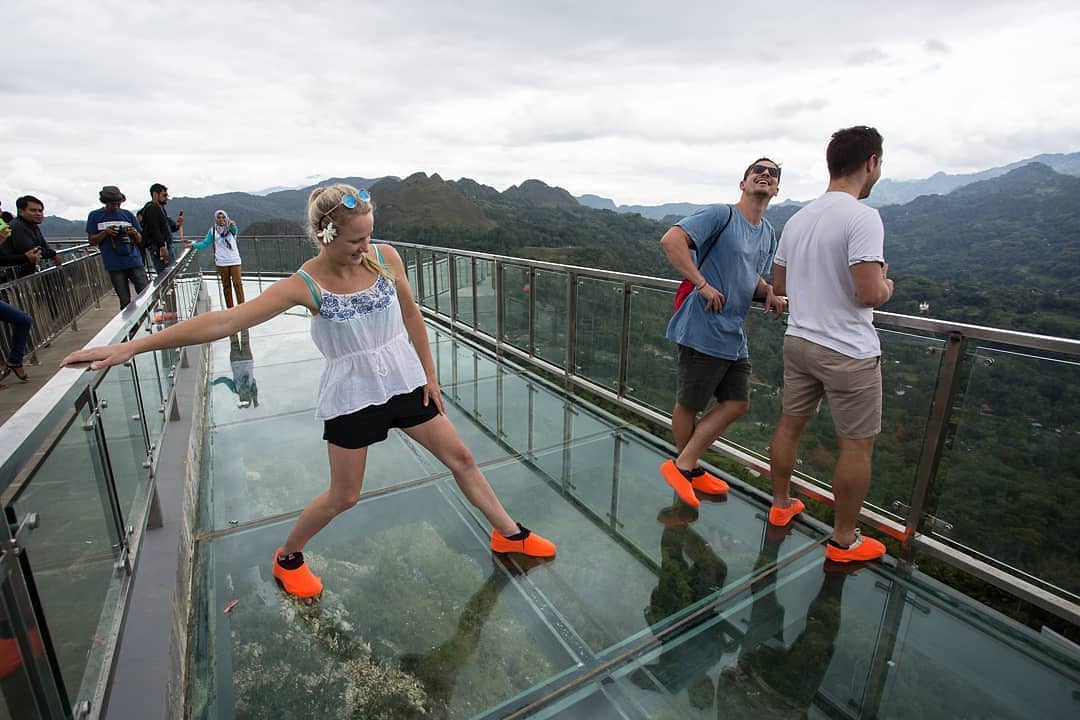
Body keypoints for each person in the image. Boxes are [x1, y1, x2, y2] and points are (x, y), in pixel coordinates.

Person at [63, 183, 557, 599]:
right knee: (345, 496)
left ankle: (507, 533)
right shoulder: (305, 283)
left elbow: (410, 314)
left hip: (404, 380)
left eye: (369, 235)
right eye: (354, 240)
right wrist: (131, 348)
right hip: (353, 393)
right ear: (326, 234)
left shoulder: (386, 257)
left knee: (463, 458)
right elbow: (227, 319)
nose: (365, 247)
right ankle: (287, 557)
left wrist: (429, 374)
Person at [767, 126, 893, 563]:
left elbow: (779, 284)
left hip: (799, 339)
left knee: (789, 425)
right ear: (871, 163)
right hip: (847, 351)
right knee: (856, 447)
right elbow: (870, 294)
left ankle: (780, 505)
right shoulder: (863, 217)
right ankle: (843, 540)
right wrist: (887, 281)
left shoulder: (799, 218)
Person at [659, 159, 788, 508]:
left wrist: (771, 292)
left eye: (773, 174)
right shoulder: (721, 215)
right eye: (758, 171)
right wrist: (702, 284)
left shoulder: (768, 233)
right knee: (689, 404)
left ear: (776, 189)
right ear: (742, 183)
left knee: (737, 402)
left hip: (732, 331)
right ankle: (686, 468)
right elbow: (672, 240)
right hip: (703, 325)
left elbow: (753, 279)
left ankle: (685, 465)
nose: (765, 175)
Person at [86, 186, 150, 309]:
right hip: (114, 264)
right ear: (105, 202)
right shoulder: (95, 216)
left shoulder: (128, 215)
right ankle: (131, 326)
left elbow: (140, 239)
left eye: (118, 203)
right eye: (112, 204)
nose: (116, 206)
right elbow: (92, 240)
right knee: (125, 299)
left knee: (145, 292)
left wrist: (134, 233)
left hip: (134, 260)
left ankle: (148, 319)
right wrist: (105, 233)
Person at [188, 210, 244, 307]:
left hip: (234, 260)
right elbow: (205, 244)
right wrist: (193, 245)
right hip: (221, 262)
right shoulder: (212, 231)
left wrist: (233, 225)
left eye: (223, 217)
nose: (221, 219)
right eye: (219, 217)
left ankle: (242, 306)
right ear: (216, 219)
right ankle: (230, 308)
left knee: (237, 283)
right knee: (226, 286)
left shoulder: (230, 228)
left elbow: (235, 231)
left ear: (226, 218)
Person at [2, 195, 62, 279]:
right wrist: (52, 254)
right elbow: (33, 251)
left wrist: (52, 254)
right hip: (12, 277)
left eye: (40, 211)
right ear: (21, 211)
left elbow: (43, 244)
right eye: (33, 210)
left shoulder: (32, 225)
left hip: (23, 275)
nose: (38, 214)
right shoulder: (17, 226)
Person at [139, 183, 183, 275]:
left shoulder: (160, 208)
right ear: (155, 194)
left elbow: (166, 228)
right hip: (160, 249)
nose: (166, 197)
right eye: (164, 195)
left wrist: (177, 225)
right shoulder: (152, 208)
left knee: (168, 275)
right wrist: (162, 246)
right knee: (165, 275)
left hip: (164, 247)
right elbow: (154, 229)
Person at [212, 330, 258, 408]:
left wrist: (214, 383)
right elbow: (224, 380)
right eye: (247, 396)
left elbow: (224, 380)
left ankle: (239, 322)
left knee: (239, 341)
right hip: (241, 360)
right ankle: (239, 322)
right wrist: (255, 401)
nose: (245, 394)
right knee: (239, 341)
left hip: (241, 360)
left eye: (243, 397)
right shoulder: (245, 388)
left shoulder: (238, 389)